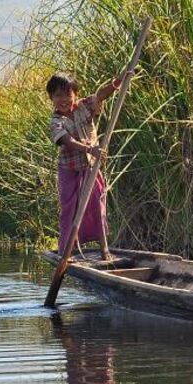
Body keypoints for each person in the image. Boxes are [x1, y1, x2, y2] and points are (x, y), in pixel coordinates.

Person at [47, 70, 128, 260]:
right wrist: (89, 149)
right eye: (58, 95)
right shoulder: (56, 121)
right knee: (70, 209)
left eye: (68, 94)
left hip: (90, 167)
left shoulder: (84, 106)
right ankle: (65, 251)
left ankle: (104, 249)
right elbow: (67, 141)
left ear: (75, 94)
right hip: (69, 170)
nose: (63, 100)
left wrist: (118, 81)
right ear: (51, 98)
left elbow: (101, 96)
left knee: (97, 204)